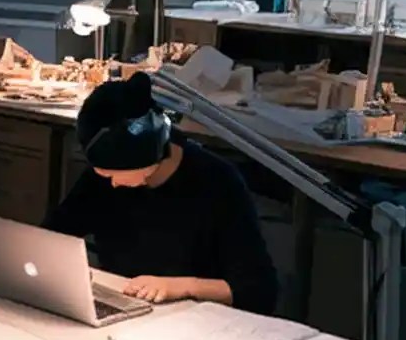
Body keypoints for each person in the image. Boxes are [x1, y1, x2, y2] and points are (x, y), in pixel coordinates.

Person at [44, 73, 280, 315]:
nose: (112, 184)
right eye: (103, 174)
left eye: (115, 174)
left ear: (145, 154)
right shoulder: (102, 181)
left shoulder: (217, 182)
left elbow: (258, 291)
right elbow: (52, 236)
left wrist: (182, 286)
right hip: (127, 309)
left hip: (194, 321)